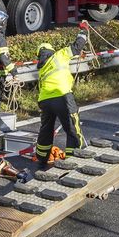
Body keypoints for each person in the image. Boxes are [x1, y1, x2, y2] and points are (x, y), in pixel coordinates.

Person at [35, 22, 90, 166]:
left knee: (46, 129)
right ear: (51, 50)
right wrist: (83, 30)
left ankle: (41, 157)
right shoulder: (59, 55)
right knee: (72, 126)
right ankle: (74, 157)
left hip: (45, 101)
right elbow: (78, 46)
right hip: (63, 96)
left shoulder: (41, 68)